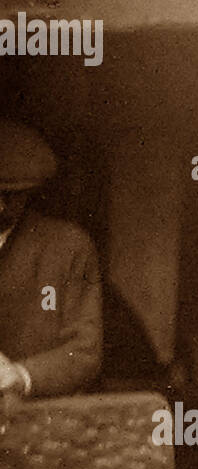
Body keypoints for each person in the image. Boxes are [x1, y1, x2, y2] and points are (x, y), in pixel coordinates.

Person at [0, 118, 102, 401]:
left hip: (42, 418)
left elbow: (85, 352)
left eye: (12, 196)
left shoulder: (68, 247)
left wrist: (21, 375)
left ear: (32, 192)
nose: (0, 207)